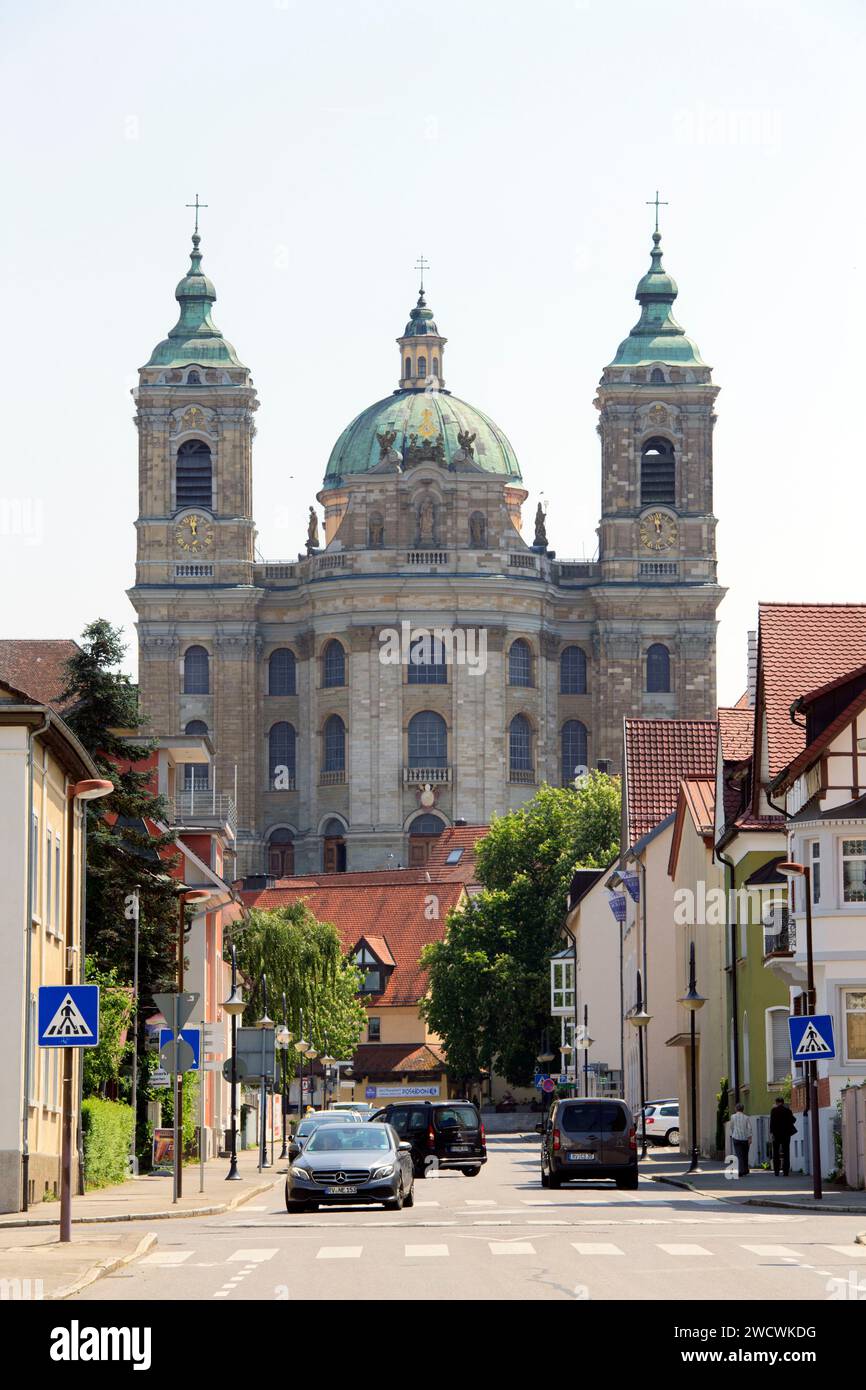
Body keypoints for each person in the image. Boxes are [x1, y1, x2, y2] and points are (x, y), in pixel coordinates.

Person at [769, 1096, 797, 1176]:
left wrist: (771, 1133)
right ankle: (786, 1171)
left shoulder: (774, 1110)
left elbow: (772, 1123)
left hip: (776, 1134)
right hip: (786, 1134)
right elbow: (793, 1120)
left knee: (776, 1153)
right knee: (786, 1152)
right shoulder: (788, 1111)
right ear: (783, 1102)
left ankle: (776, 1171)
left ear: (777, 1102)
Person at [729, 1103, 752, 1177]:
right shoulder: (746, 1117)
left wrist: (733, 1134)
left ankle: (741, 1171)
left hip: (736, 1138)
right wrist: (750, 1138)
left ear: (736, 1109)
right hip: (745, 1138)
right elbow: (749, 1128)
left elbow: (732, 1126)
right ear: (743, 1109)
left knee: (739, 1155)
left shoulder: (733, 1117)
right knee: (745, 1154)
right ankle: (745, 1170)